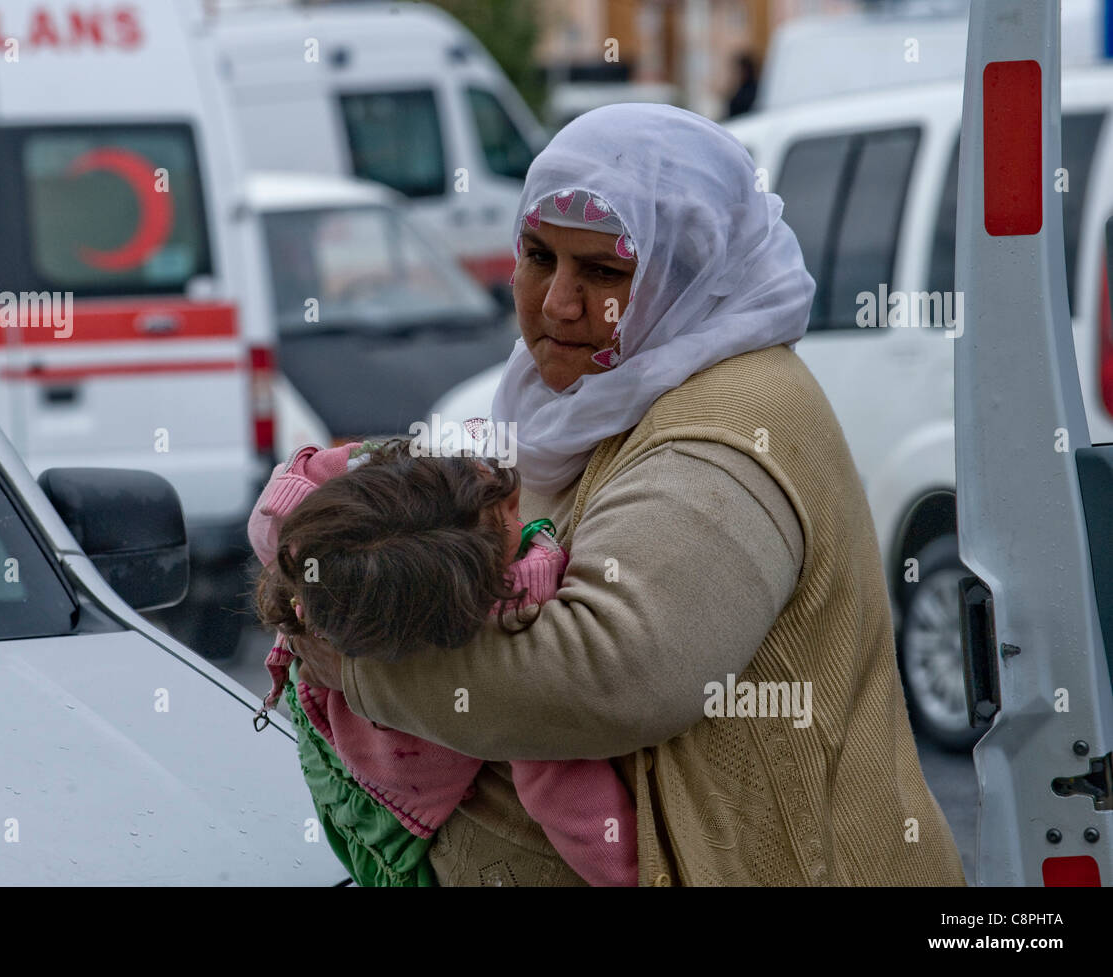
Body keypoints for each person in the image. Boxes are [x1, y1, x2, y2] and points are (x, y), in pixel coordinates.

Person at [288, 102, 967, 887]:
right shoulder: (571, 400)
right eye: (538, 256)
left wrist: (360, 666)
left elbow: (614, 672)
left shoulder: (731, 423)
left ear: (686, 275)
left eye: (604, 272)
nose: (558, 302)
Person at [248, 437, 637, 886]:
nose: (512, 495)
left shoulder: (333, 556)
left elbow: (279, 511)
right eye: (500, 519)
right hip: (394, 827)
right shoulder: (512, 641)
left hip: (328, 751)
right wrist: (632, 874)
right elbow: (564, 788)